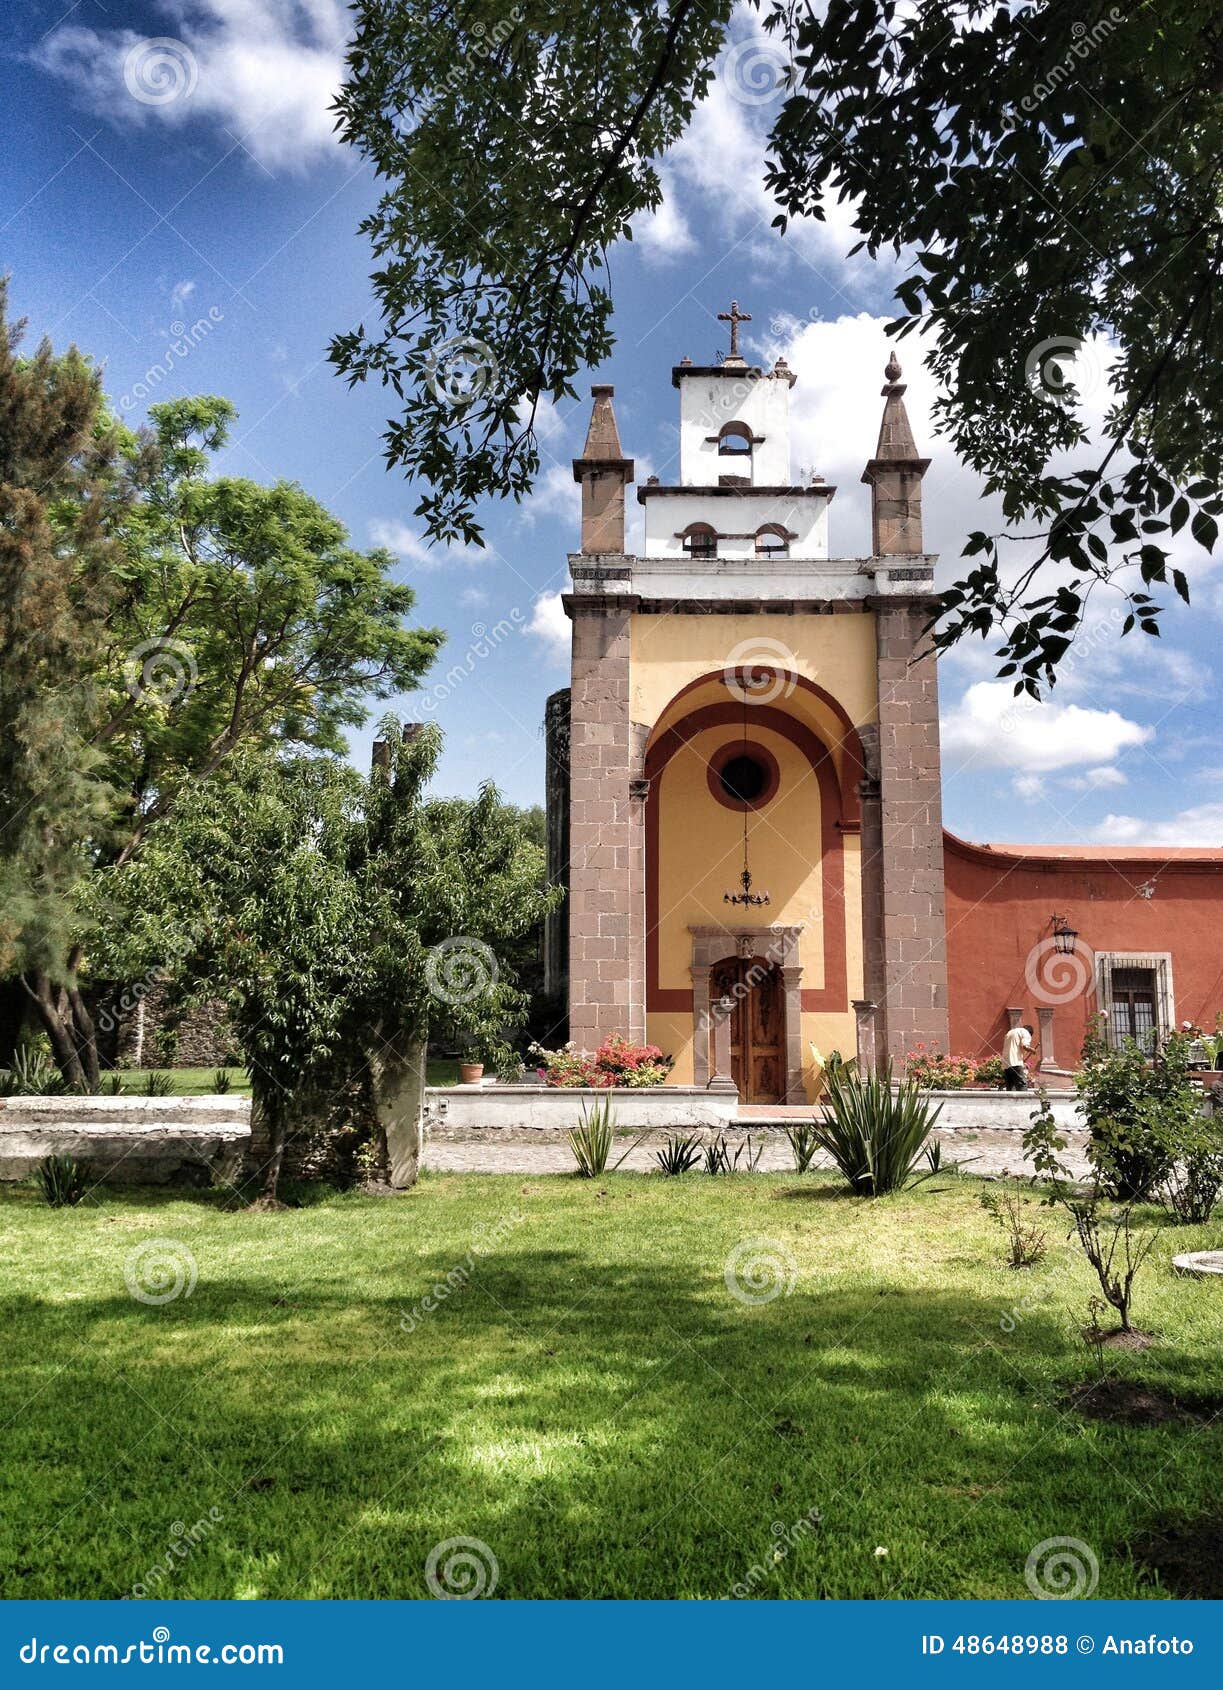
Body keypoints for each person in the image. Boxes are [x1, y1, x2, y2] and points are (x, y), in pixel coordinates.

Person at [1002, 1023, 1034, 1090]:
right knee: (1022, 1085)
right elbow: (1024, 1046)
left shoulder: (1010, 1032)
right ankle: (1025, 1100)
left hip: (1006, 1063)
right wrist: (1032, 1050)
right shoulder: (1025, 1032)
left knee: (1010, 1087)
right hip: (1015, 1063)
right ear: (1030, 1033)